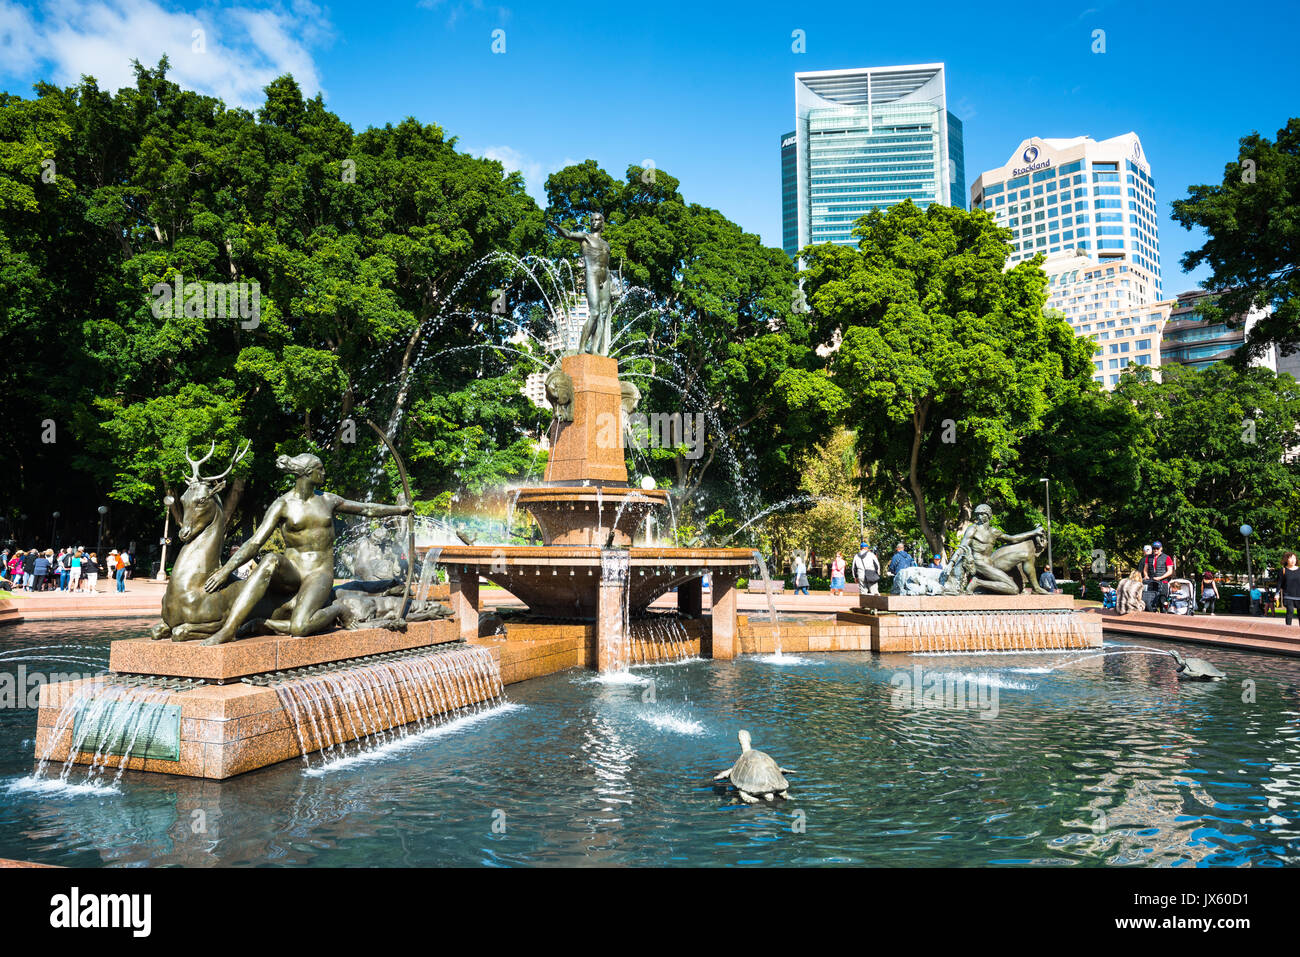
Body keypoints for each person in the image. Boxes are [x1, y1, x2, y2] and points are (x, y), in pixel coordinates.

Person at [1142, 541, 1175, 612]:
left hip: (1163, 582)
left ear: (1161, 548)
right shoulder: (1149, 557)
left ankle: (1163, 616)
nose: (1155, 550)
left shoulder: (1167, 557)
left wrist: (1160, 577)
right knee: (1150, 601)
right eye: (1154, 548)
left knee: (1162, 600)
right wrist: (1146, 575)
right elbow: (1145, 569)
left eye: (1157, 548)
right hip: (1151, 581)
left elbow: (1170, 571)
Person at [1278, 554, 1300, 625]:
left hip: (1299, 596)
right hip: (1288, 596)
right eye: (1291, 558)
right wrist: (1277, 594)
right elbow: (1279, 583)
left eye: (1294, 558)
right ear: (1286, 560)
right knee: (1290, 611)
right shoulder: (1283, 570)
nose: (1293, 560)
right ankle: (1288, 629)